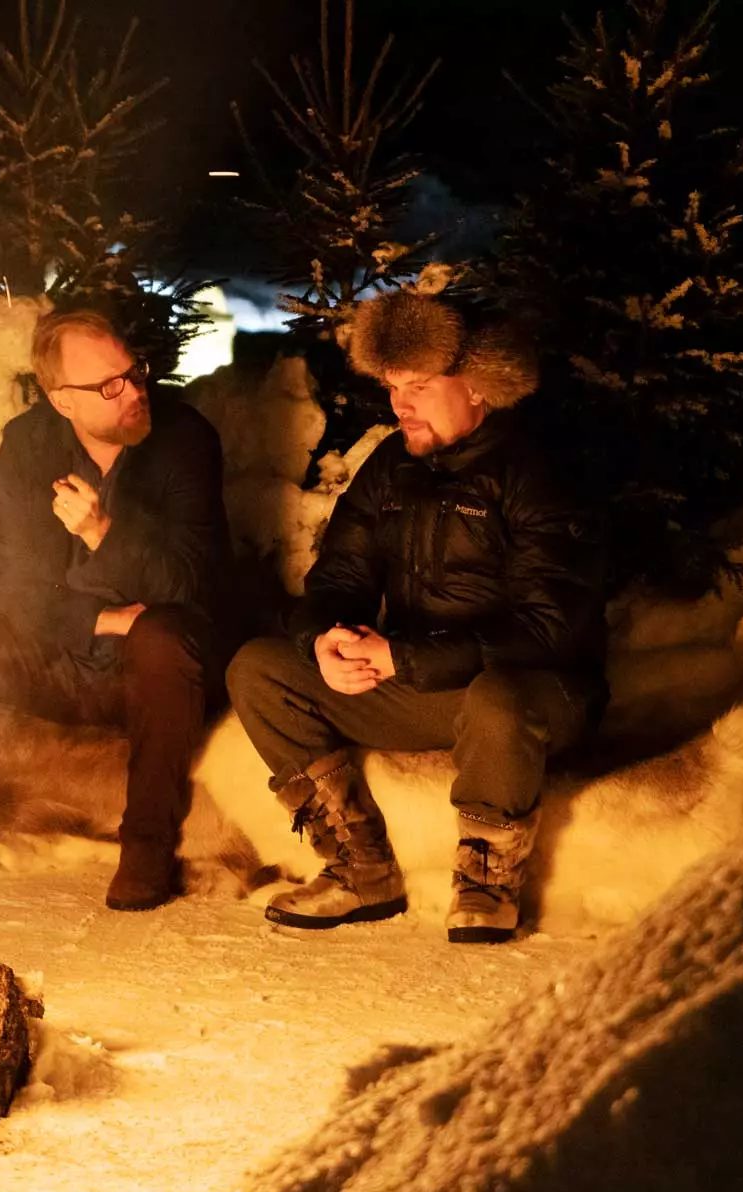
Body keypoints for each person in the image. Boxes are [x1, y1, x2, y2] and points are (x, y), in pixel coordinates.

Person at [226, 290, 607, 943]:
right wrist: (325, 638)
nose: (401, 404)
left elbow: (549, 626)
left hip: (535, 691)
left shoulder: (537, 472)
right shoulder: (391, 468)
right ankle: (359, 867)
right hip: (422, 683)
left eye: (421, 386)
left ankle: (487, 879)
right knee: (259, 668)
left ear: (480, 387)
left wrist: (405, 658)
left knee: (498, 698)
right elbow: (339, 577)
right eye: (394, 386)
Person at [0, 308, 231, 911]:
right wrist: (95, 619)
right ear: (62, 402)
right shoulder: (30, 445)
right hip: (59, 654)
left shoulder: (184, 440)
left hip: (151, 671)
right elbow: (4, 584)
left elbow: (189, 585)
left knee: (163, 634)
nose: (133, 391)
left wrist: (106, 534)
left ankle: (147, 848)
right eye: (108, 386)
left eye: (134, 373)